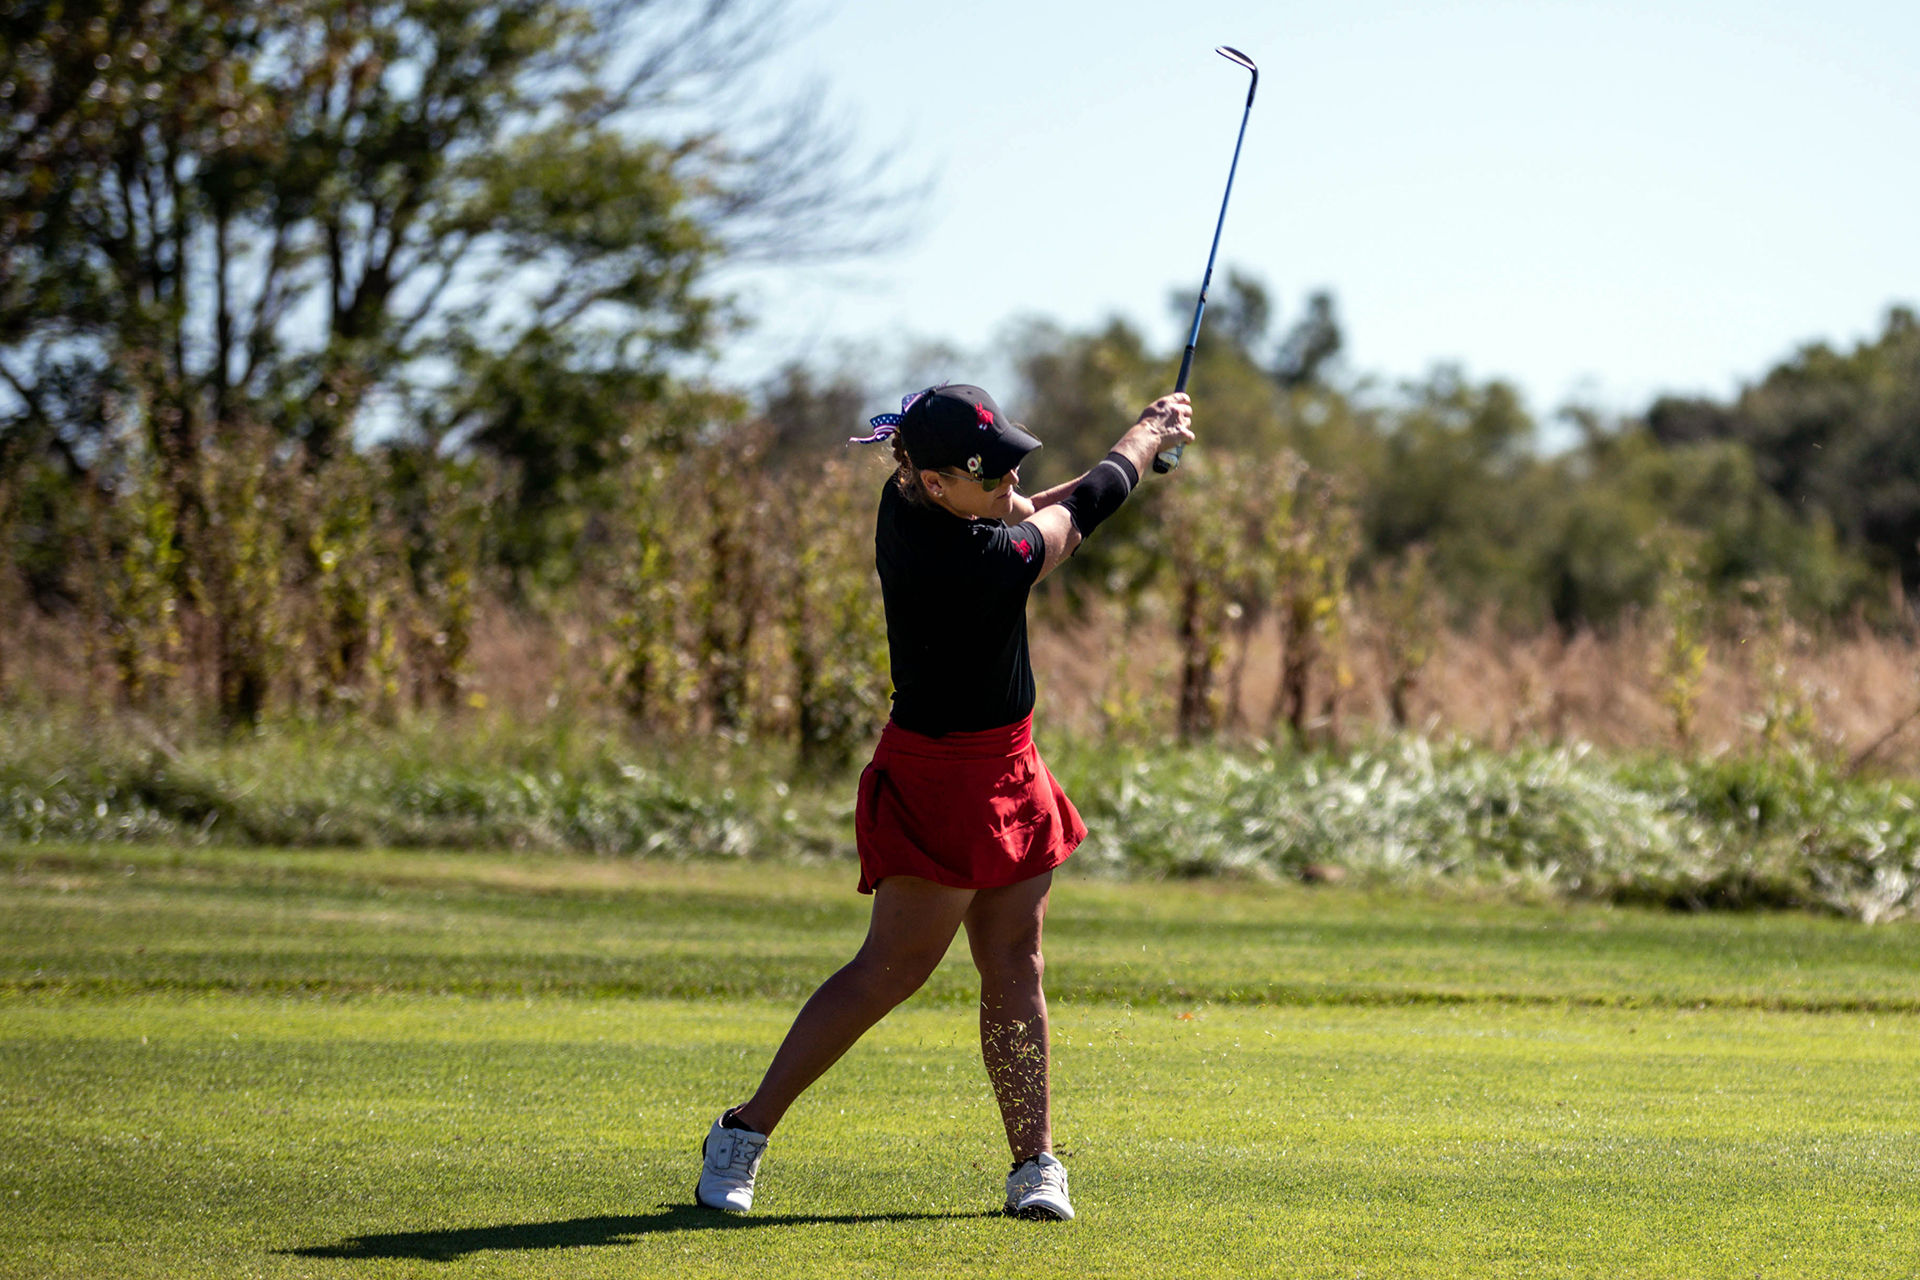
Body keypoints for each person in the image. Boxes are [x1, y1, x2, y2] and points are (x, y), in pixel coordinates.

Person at [695, 382, 1194, 1221]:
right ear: (934, 481)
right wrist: (1145, 437)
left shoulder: (923, 501)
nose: (1009, 489)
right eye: (989, 478)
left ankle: (1035, 1162)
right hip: (937, 775)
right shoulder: (973, 560)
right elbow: (1084, 512)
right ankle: (742, 1131)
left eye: (1006, 470)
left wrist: (1141, 455)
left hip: (1010, 763)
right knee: (890, 971)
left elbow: (1043, 501)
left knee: (1016, 963)